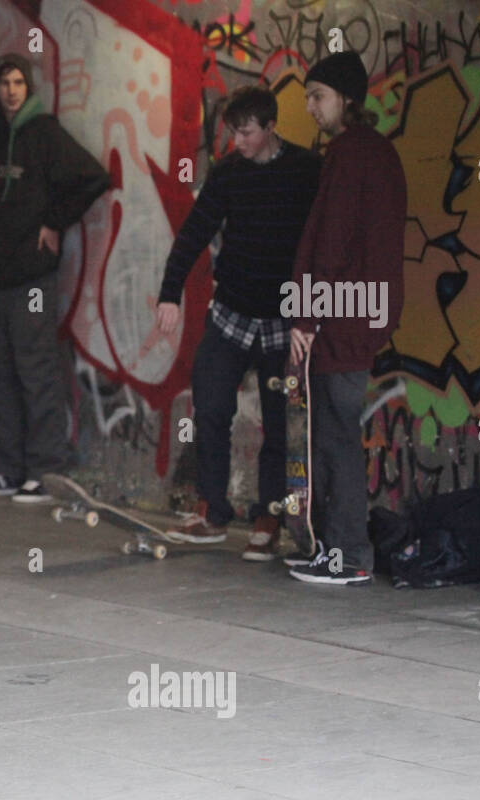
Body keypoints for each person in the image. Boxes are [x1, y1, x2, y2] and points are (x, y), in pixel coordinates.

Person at [155, 86, 322, 560]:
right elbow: (193, 233)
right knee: (209, 408)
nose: (238, 142)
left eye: (246, 133)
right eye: (233, 132)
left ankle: (268, 518)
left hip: (281, 321)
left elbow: (325, 241)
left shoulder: (305, 171)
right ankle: (213, 511)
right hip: (230, 314)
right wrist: (169, 294)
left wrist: (313, 313)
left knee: (277, 421)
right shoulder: (228, 173)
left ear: (270, 127)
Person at [0, 53, 110, 503]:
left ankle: (44, 470)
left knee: (36, 371)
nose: (11, 90)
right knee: (1, 374)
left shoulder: (45, 133)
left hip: (31, 278)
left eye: (17, 82)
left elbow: (94, 177)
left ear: (28, 87)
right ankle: (8, 469)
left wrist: (55, 221)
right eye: (3, 82)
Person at [287, 51, 406, 586]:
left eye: (318, 96)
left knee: (334, 433)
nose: (311, 107)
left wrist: (307, 316)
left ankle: (347, 555)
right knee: (335, 431)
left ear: (346, 100)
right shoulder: (372, 151)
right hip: (360, 308)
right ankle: (335, 549)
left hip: (342, 313)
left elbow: (331, 242)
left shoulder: (350, 153)